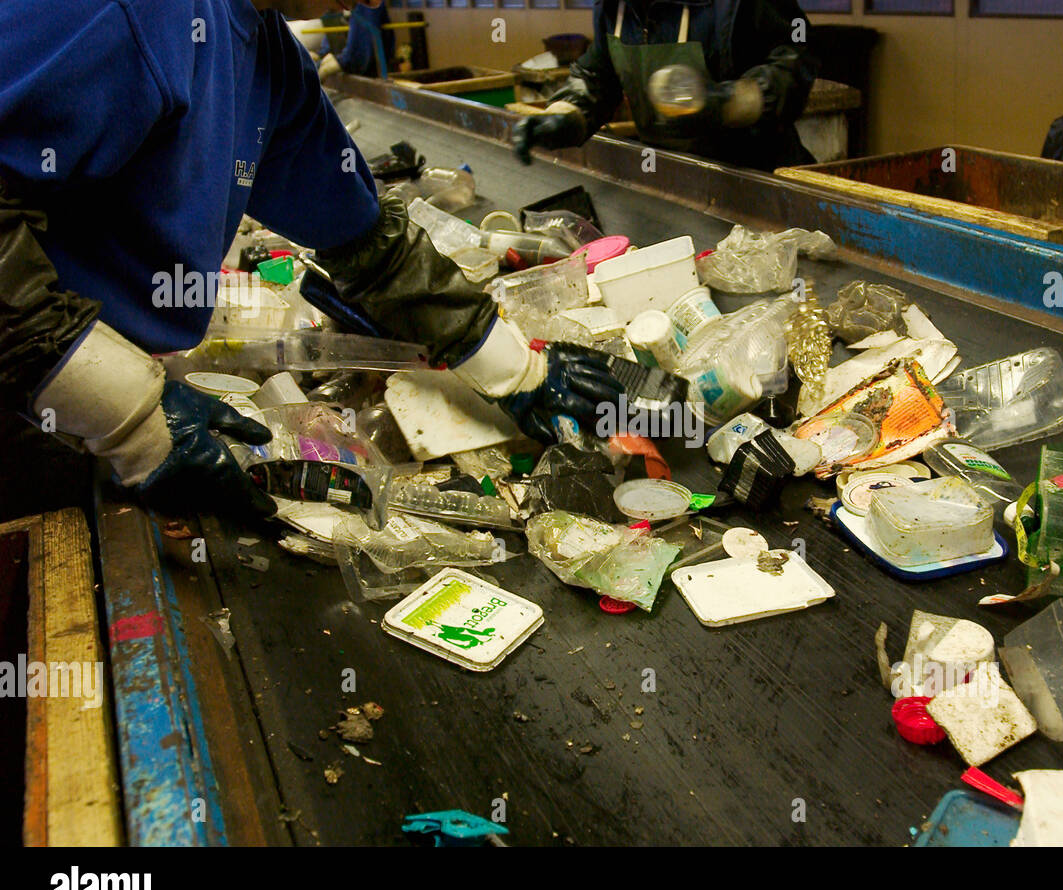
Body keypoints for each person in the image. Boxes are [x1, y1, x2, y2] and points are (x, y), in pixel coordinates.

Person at [0, 0, 626, 520]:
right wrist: (126, 418)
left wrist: (519, 373)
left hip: (90, 422)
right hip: (28, 424)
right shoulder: (124, 13)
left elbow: (368, 245)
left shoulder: (264, 53)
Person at [513, 0, 817, 173]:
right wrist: (565, 114)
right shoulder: (613, 8)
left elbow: (795, 61)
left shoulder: (735, 5)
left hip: (757, 181)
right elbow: (597, 75)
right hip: (675, 179)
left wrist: (728, 103)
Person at [318, 4, 395, 80]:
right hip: (349, 63)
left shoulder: (363, 6)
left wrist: (342, 62)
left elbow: (358, 57)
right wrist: (322, 53)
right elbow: (334, 31)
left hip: (371, 71)